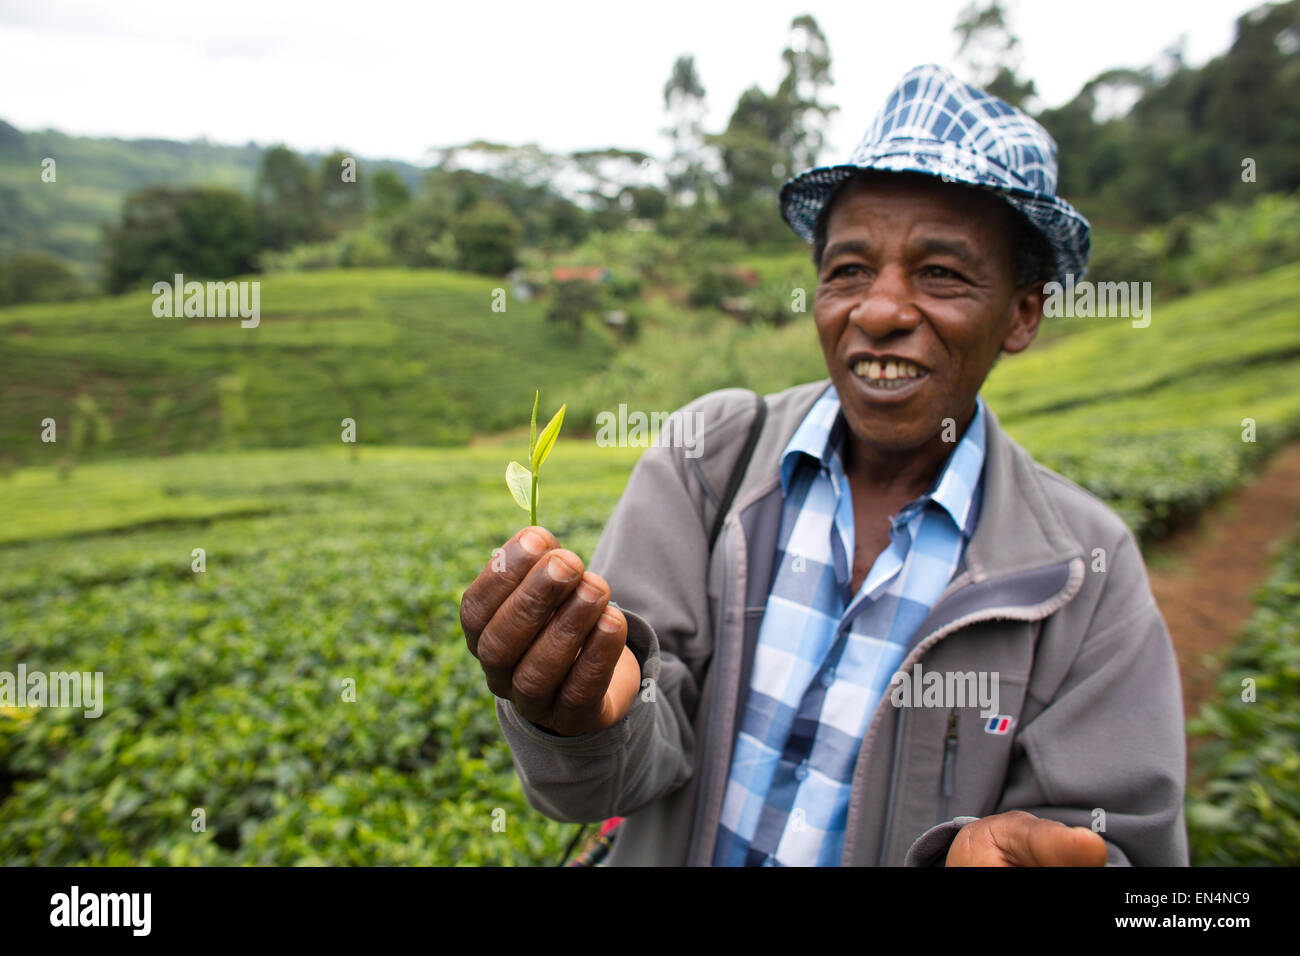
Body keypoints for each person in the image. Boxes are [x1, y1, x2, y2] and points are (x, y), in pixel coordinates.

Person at [458, 63, 1189, 866]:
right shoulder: (713, 456)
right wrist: (583, 721)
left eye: (941, 273)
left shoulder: (1085, 571)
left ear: (1022, 314)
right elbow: (614, 766)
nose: (878, 310)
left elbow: (1129, 851)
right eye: (848, 270)